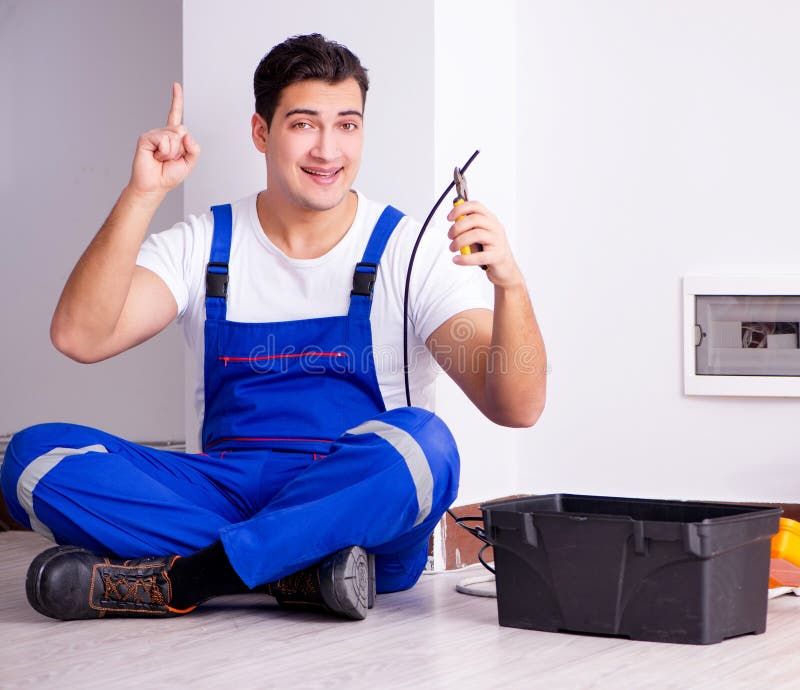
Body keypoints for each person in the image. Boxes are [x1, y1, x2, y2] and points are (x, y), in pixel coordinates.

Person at [1, 34, 545, 621]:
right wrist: (143, 195)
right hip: (228, 488)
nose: (328, 150)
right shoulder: (207, 243)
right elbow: (80, 336)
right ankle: (297, 573)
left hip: (351, 494)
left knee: (424, 447)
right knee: (32, 457)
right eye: (304, 124)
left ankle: (192, 577)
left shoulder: (407, 250)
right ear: (261, 132)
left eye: (347, 125)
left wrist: (510, 284)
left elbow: (515, 405)